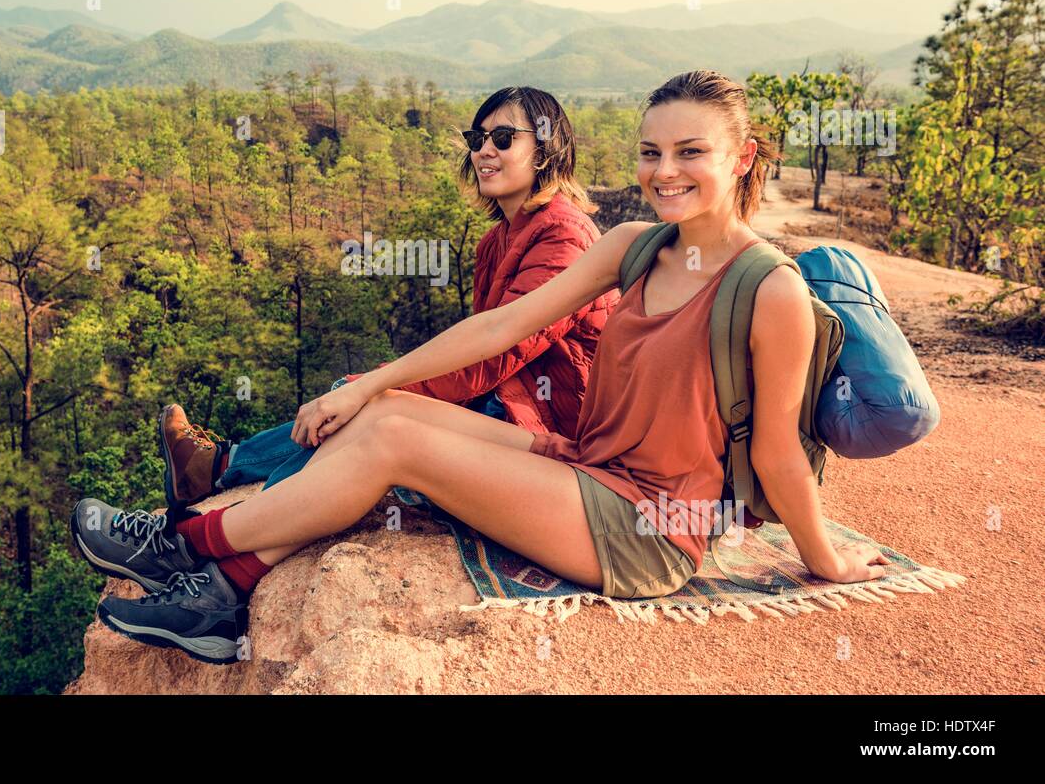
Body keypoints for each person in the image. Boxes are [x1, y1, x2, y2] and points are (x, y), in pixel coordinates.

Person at [83, 70, 892, 665]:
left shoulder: (768, 289)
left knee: (397, 446)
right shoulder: (632, 246)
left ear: (743, 157)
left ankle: (184, 543)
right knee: (384, 417)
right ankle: (221, 602)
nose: (664, 170)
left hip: (649, 527)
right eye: (651, 151)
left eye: (691, 152)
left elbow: (781, 454)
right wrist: (370, 382)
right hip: (587, 465)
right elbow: (498, 326)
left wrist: (825, 558)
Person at [73, 87, 614, 602]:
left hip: (546, 427)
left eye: (503, 138)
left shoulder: (564, 236)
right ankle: (217, 488)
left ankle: (214, 525)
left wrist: (369, 386)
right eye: (477, 139)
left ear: (546, 149)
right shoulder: (500, 238)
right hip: (507, 403)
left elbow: (492, 354)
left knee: (357, 404)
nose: (484, 152)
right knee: (356, 399)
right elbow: (480, 355)